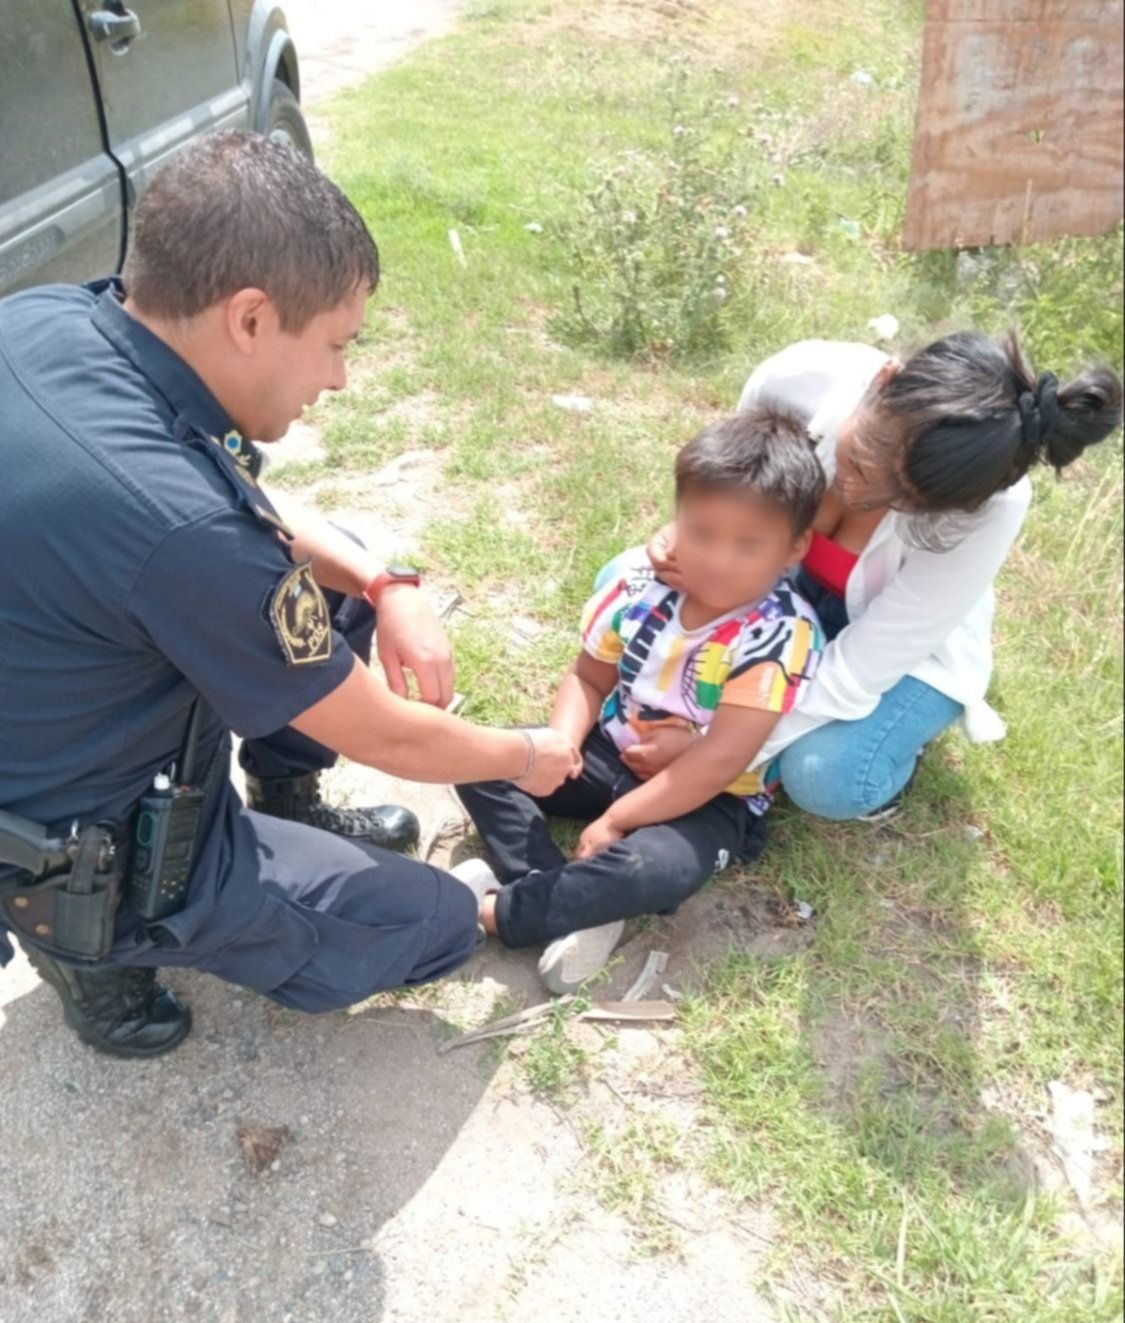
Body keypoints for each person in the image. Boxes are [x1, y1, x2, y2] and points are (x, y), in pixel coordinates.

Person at [0, 133, 578, 1059]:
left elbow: (228, 500)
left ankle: (285, 799)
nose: (340, 379)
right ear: (252, 318)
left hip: (51, 700)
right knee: (431, 918)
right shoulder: (181, 538)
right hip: (75, 837)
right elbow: (381, 731)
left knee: (331, 590)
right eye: (336, 346)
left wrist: (387, 581)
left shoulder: (51, 321)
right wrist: (523, 756)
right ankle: (90, 945)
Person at [641, 333, 1123, 821]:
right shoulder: (799, 379)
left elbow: (861, 667)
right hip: (785, 591)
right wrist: (691, 532)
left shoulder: (995, 503)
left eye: (905, 500)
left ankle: (898, 746)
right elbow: (730, 488)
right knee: (635, 581)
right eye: (860, 459)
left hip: (906, 650)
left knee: (825, 775)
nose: (861, 492)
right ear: (883, 381)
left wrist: (714, 750)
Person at [451, 408, 825, 994]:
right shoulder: (638, 587)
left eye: (748, 544)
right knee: (482, 758)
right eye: (701, 533)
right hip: (613, 749)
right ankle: (575, 898)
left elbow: (722, 760)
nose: (718, 559)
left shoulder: (779, 634)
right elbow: (588, 677)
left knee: (657, 868)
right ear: (676, 519)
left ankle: (496, 913)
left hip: (709, 798)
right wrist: (558, 747)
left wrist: (617, 821)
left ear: (795, 546)